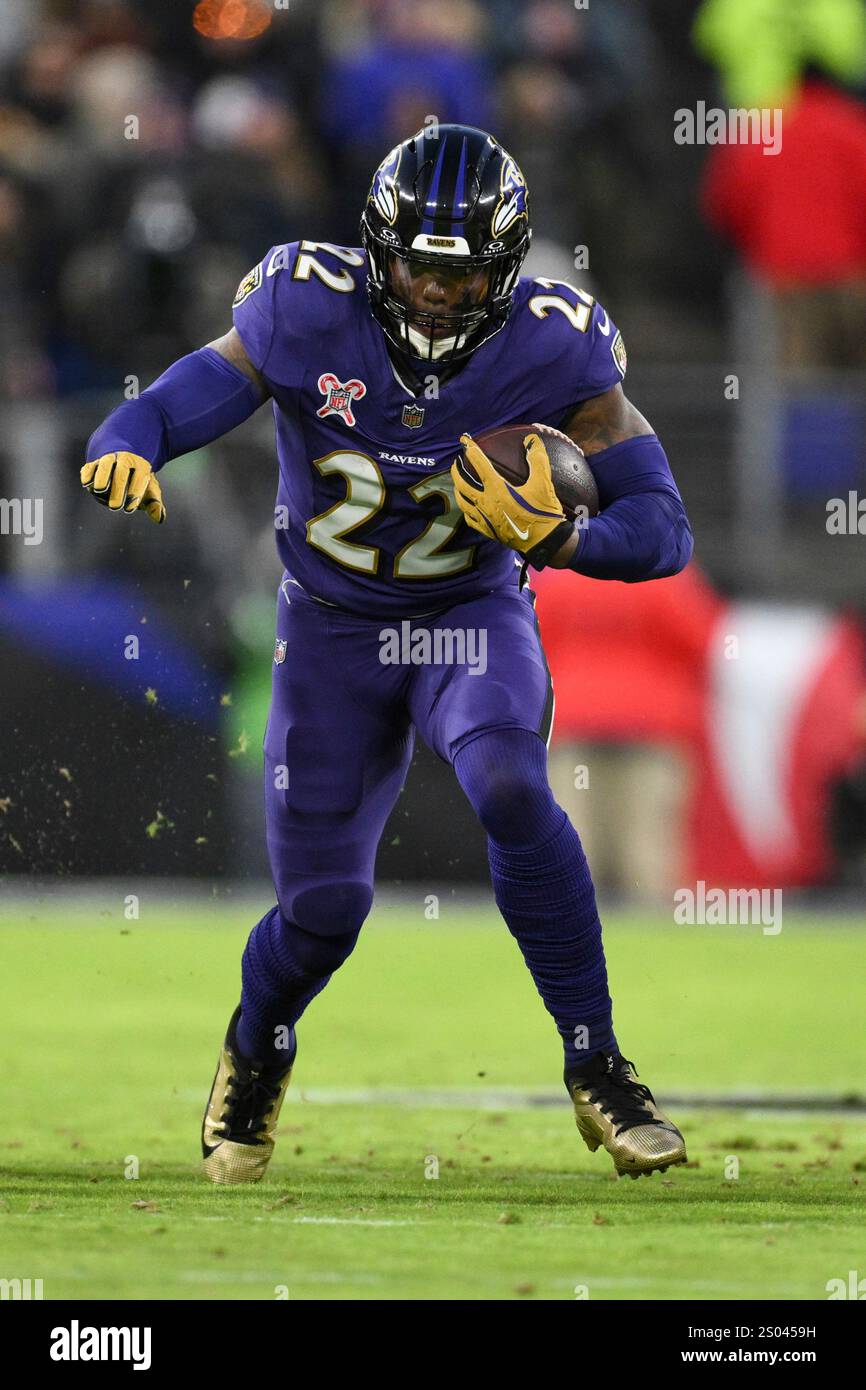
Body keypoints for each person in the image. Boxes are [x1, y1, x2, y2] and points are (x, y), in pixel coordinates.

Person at [81, 125, 693, 1184]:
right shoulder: (303, 304)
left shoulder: (556, 344)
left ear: (503, 273)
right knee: (323, 912)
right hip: (329, 630)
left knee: (507, 779)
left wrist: (564, 540)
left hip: (468, 612)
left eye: (461, 277)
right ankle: (255, 1048)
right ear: (374, 251)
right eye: (417, 267)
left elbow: (662, 526)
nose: (436, 295)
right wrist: (128, 438)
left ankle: (597, 1062)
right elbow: (190, 390)